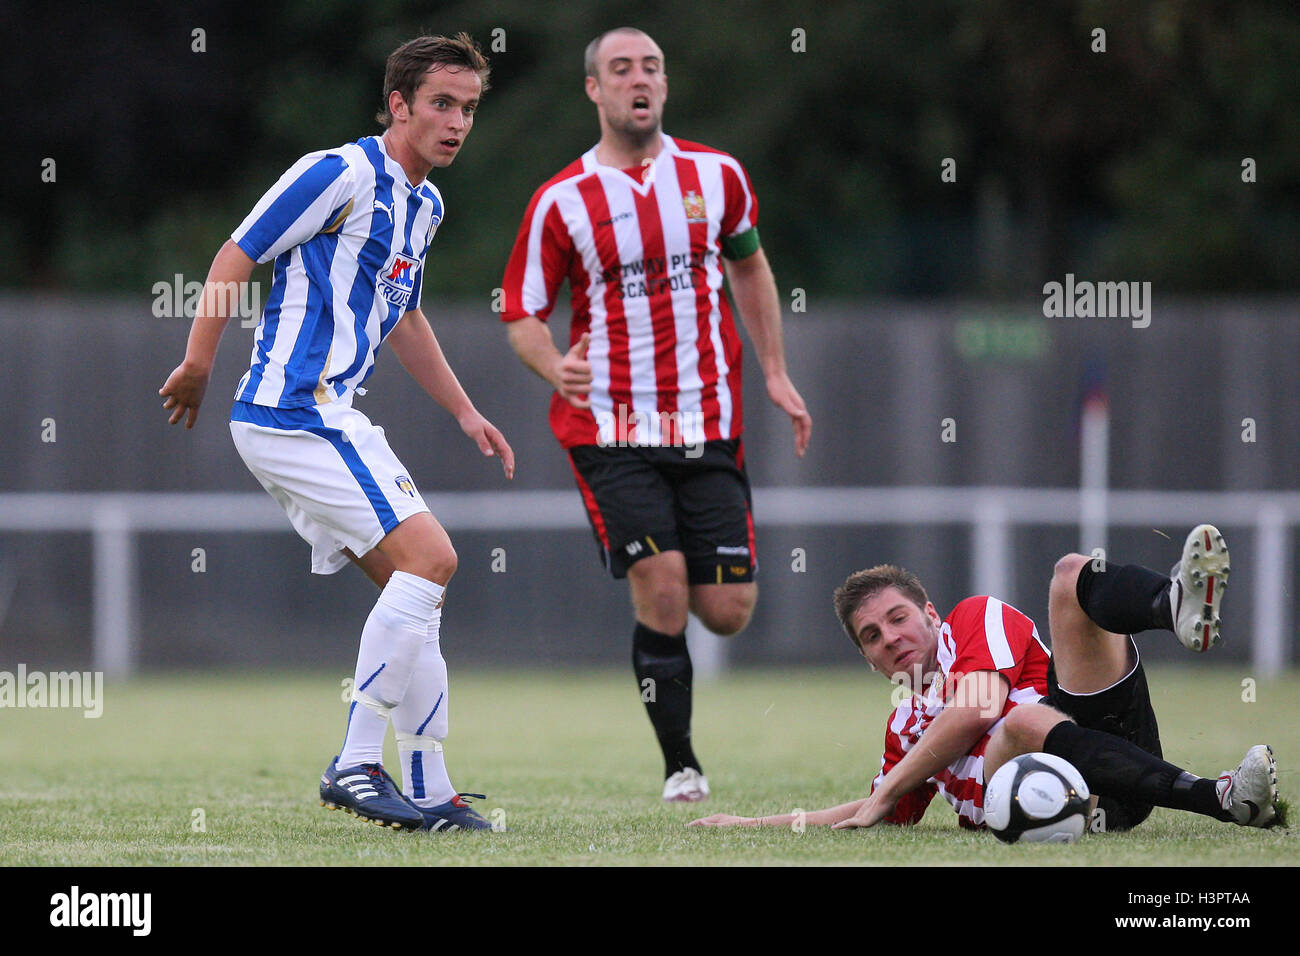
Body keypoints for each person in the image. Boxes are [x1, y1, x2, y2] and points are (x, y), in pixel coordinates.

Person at [159, 33, 513, 833]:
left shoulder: (425, 205)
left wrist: (462, 408)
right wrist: (196, 361)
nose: (456, 122)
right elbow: (234, 255)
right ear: (397, 105)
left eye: (468, 108)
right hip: (293, 412)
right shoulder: (341, 174)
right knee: (435, 559)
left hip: (324, 417)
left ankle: (427, 785)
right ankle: (355, 763)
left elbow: (405, 313)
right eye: (440, 105)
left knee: (414, 593)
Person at [500, 27, 813, 802]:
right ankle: (682, 764)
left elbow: (751, 268)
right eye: (620, 69)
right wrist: (551, 364)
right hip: (608, 428)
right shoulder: (560, 201)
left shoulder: (718, 176)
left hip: (708, 421)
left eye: (650, 67)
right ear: (594, 91)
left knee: (728, 609)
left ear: (664, 86)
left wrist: (773, 370)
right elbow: (521, 314)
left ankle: (682, 722)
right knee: (663, 583)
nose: (637, 79)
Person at [690, 524, 1282, 831]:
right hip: (1056, 807)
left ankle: (1169, 605)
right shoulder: (902, 728)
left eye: (897, 618)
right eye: (871, 637)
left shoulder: (975, 618)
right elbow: (877, 809)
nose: (889, 637)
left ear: (930, 614)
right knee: (1022, 723)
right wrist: (751, 822)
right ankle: (1223, 799)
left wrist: (890, 787)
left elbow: (975, 708)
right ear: (868, 662)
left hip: (1115, 749)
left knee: (1068, 574)